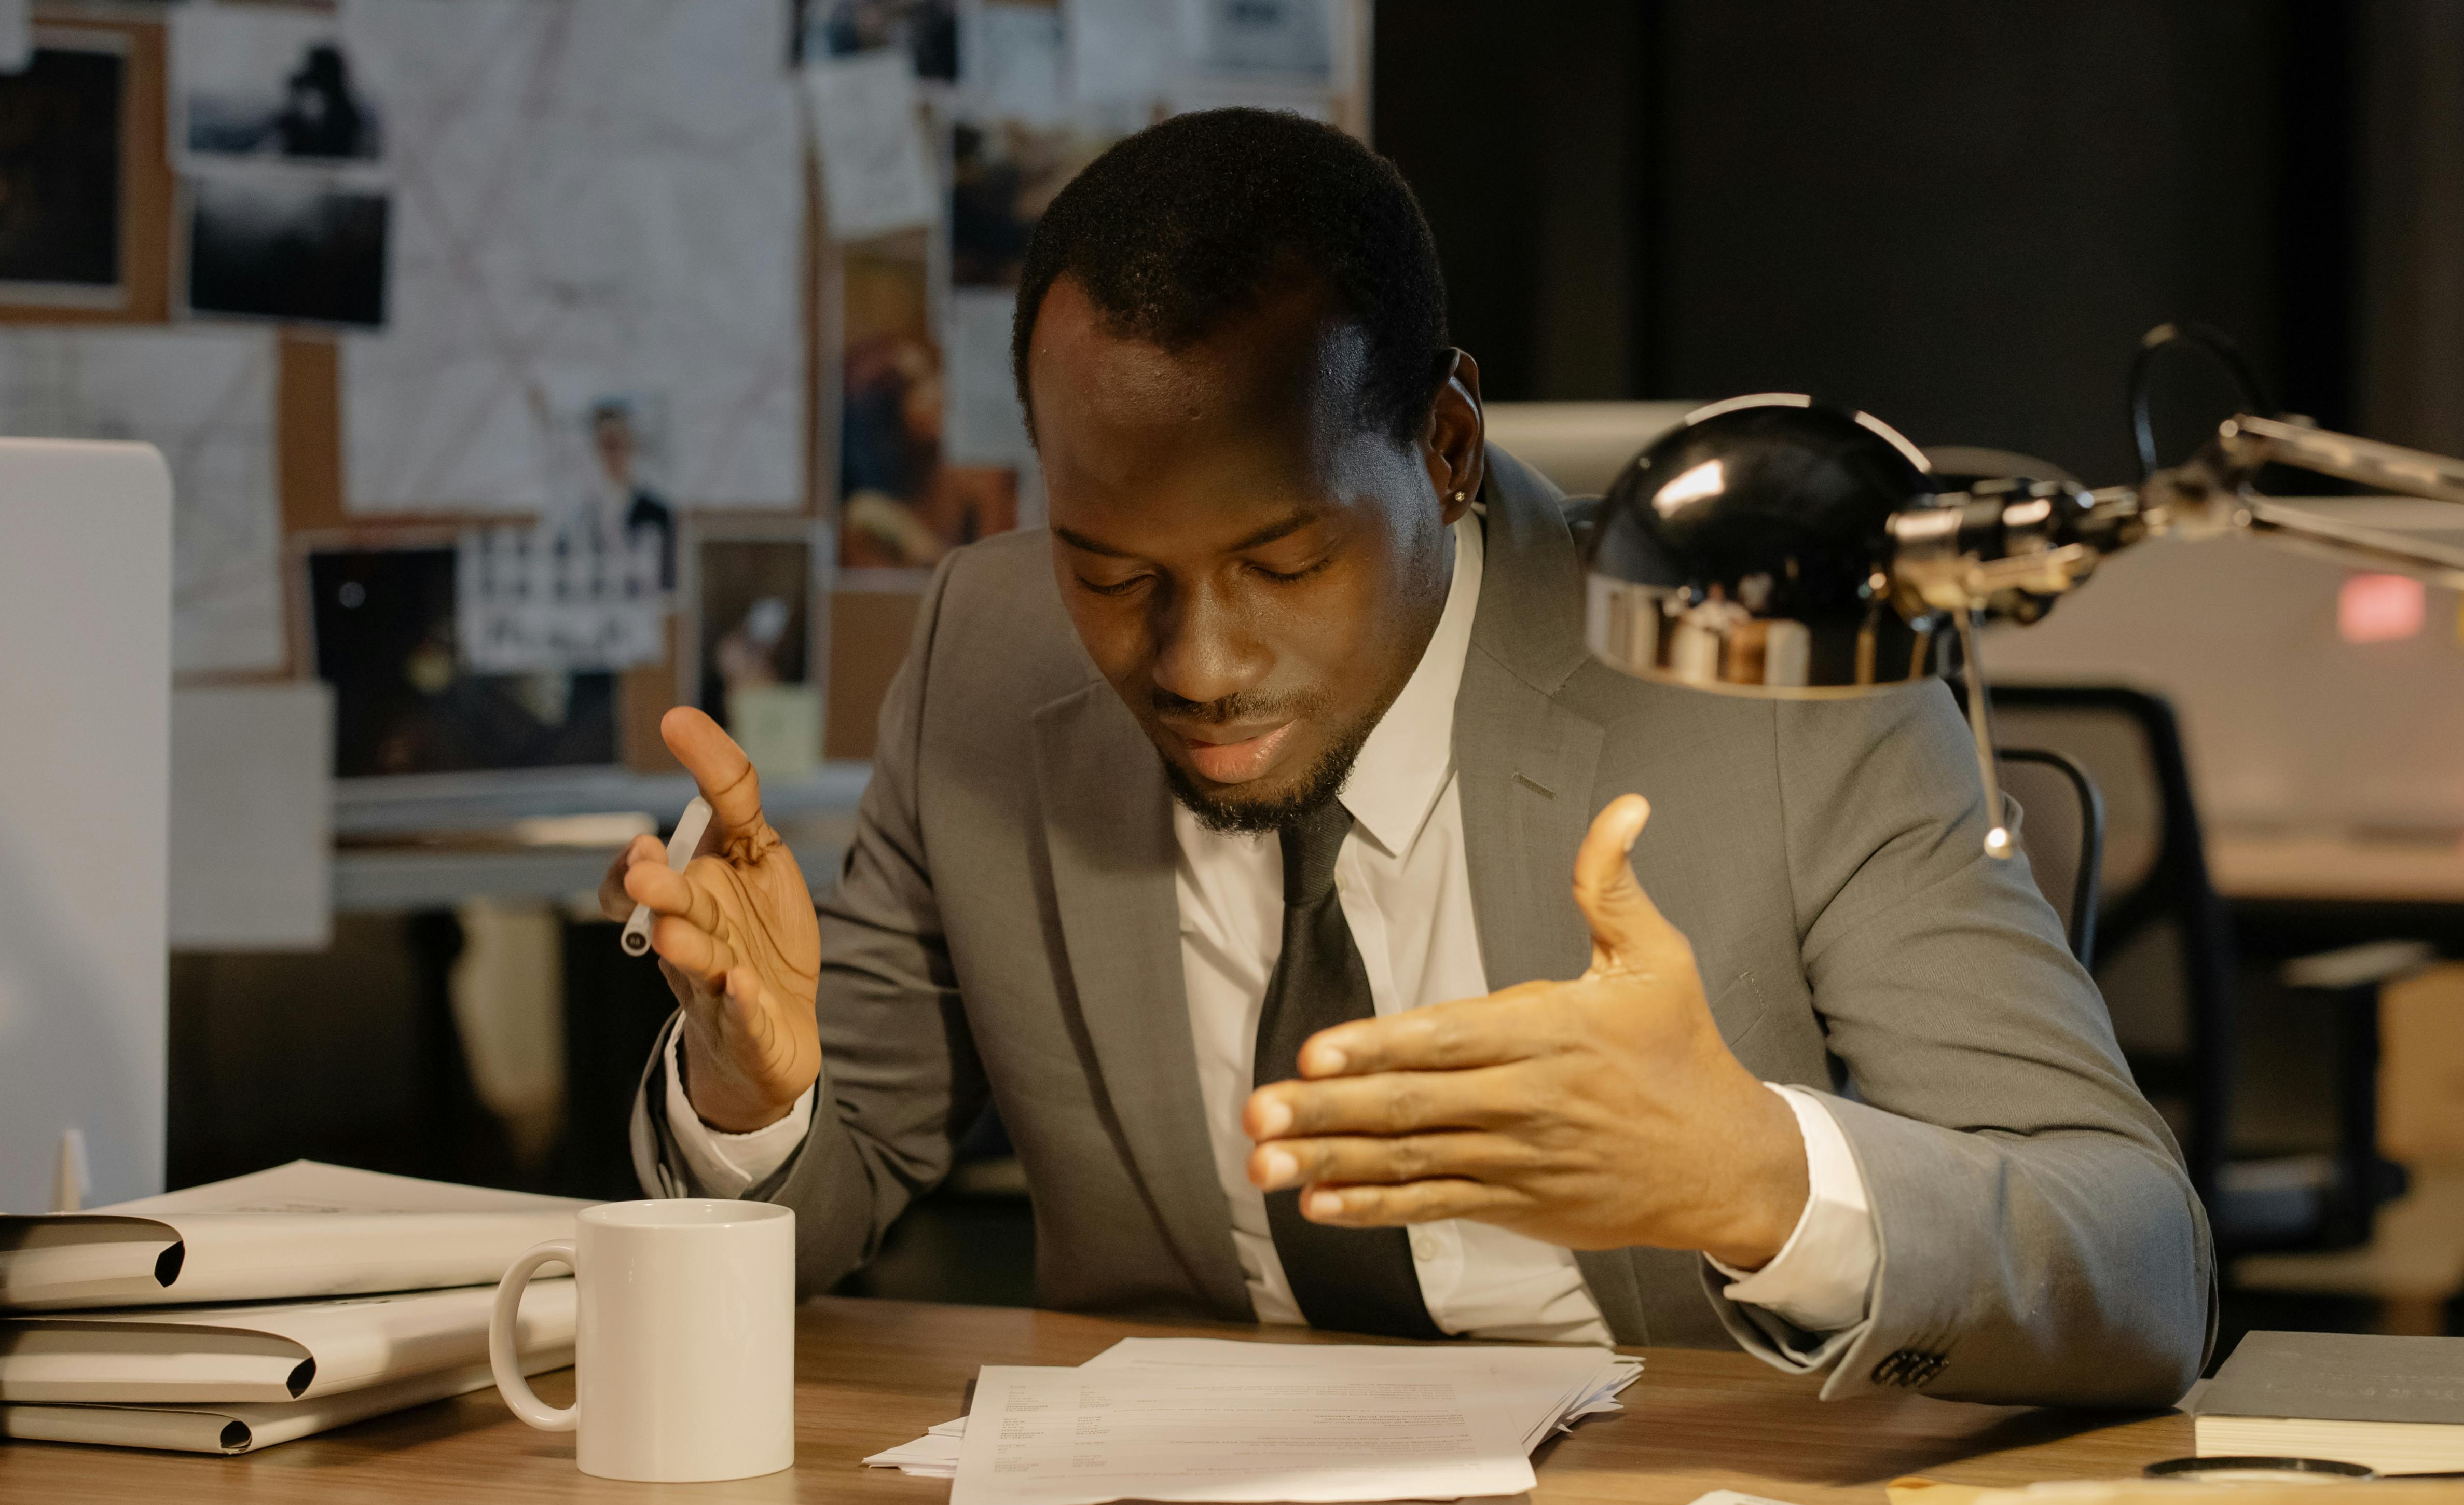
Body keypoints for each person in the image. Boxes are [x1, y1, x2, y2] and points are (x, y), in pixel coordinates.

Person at [602, 108, 2212, 1405]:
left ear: (1445, 448)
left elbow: (2144, 1264)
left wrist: (1759, 1180)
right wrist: (756, 1095)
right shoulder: (988, 651)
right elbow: (822, 1204)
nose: (1198, 664)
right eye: (1110, 570)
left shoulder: (1769, 677)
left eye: (1285, 561)